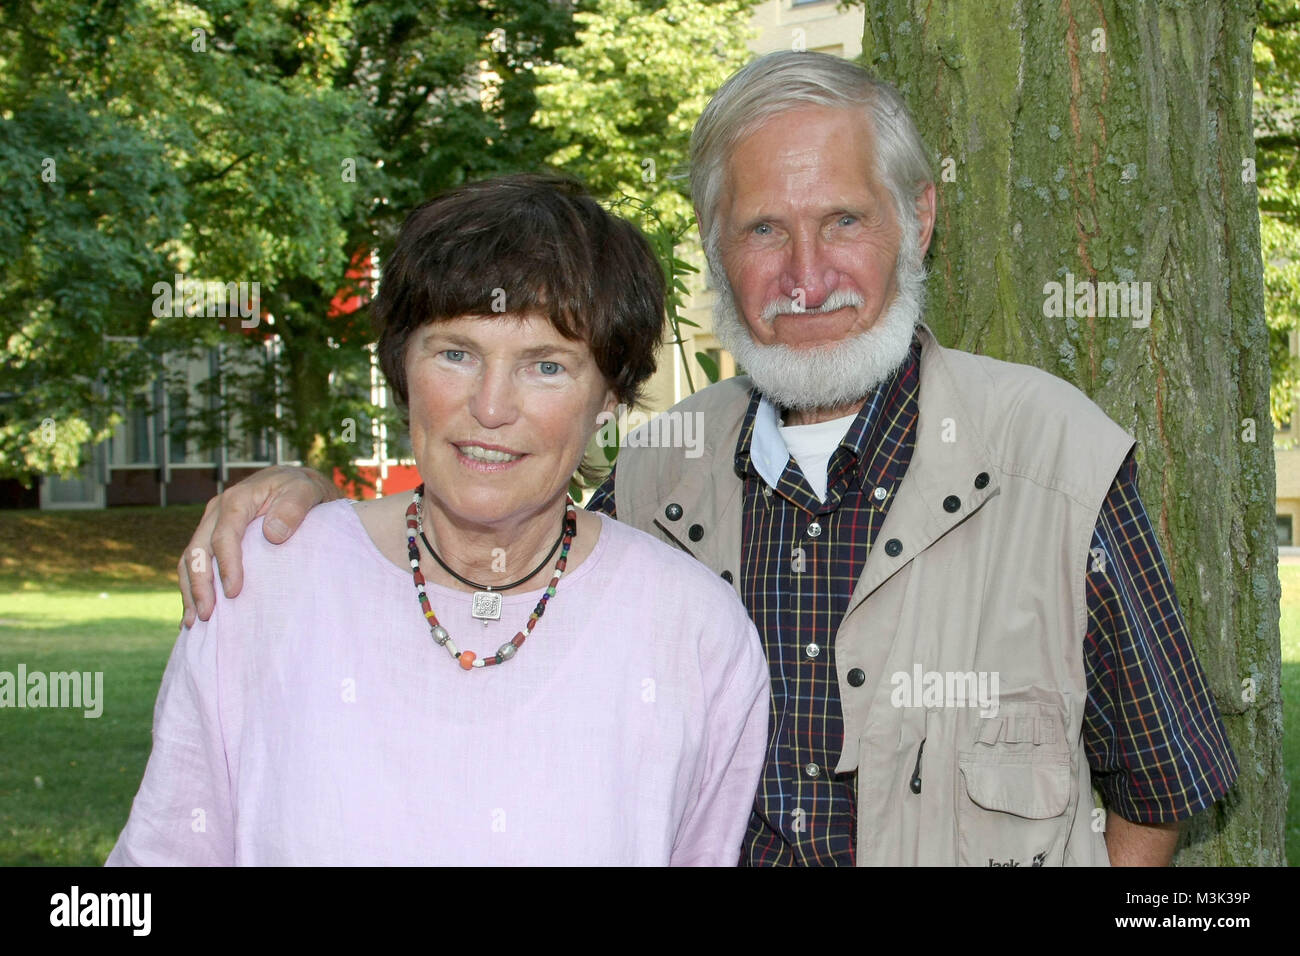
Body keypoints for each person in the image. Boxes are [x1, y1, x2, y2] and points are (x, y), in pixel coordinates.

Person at [177, 52, 1238, 866]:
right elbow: (491, 503)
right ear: (715, 245)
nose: (806, 274)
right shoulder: (654, 476)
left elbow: (1160, 778)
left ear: (918, 220)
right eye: (763, 229)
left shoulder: (1054, 456)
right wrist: (309, 506)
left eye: (843, 221)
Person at [108, 173, 769, 866]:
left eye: (546, 366)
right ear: (402, 367)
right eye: (456, 353)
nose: (490, 407)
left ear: (608, 397)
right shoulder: (261, 586)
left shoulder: (692, 630)